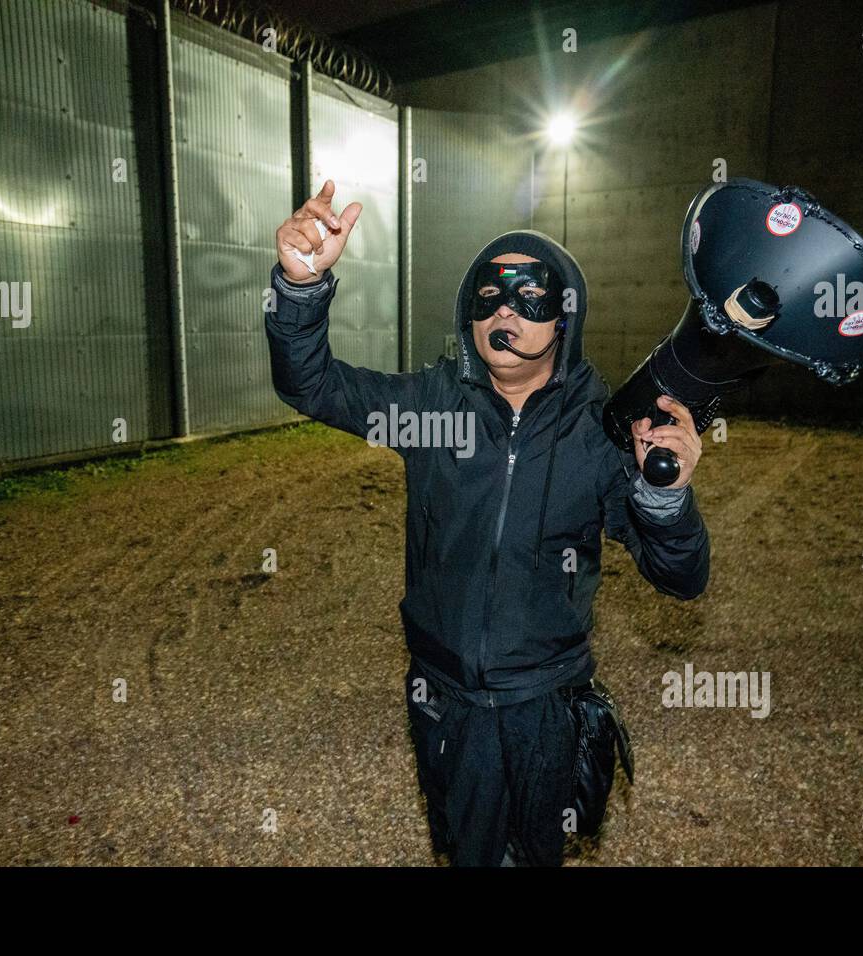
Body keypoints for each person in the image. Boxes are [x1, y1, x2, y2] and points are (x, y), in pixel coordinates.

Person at [265, 180, 711, 866]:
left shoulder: (600, 432)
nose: (506, 308)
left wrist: (665, 499)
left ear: (565, 317)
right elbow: (313, 384)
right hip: (446, 694)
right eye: (489, 293)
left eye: (531, 294)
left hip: (545, 699)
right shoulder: (430, 408)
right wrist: (299, 290)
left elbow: (681, 578)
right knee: (467, 851)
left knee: (537, 853)